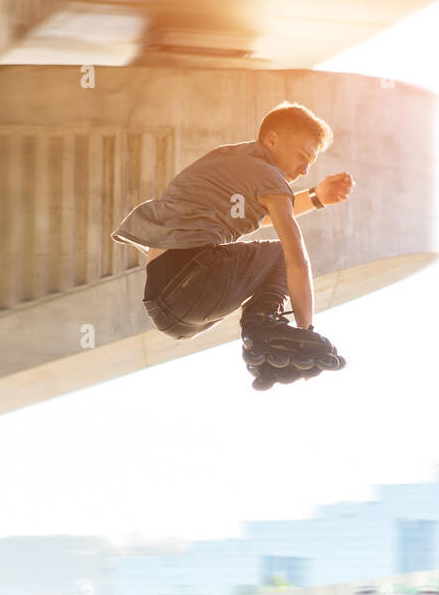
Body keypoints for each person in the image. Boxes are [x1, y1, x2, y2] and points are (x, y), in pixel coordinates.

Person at [112, 102, 354, 390]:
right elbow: (296, 259)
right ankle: (261, 327)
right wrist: (307, 331)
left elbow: (259, 215)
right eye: (303, 157)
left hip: (165, 304)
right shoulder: (268, 175)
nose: (303, 171)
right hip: (189, 290)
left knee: (267, 259)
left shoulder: (232, 159)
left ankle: (264, 348)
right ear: (273, 139)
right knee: (279, 254)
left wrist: (317, 197)